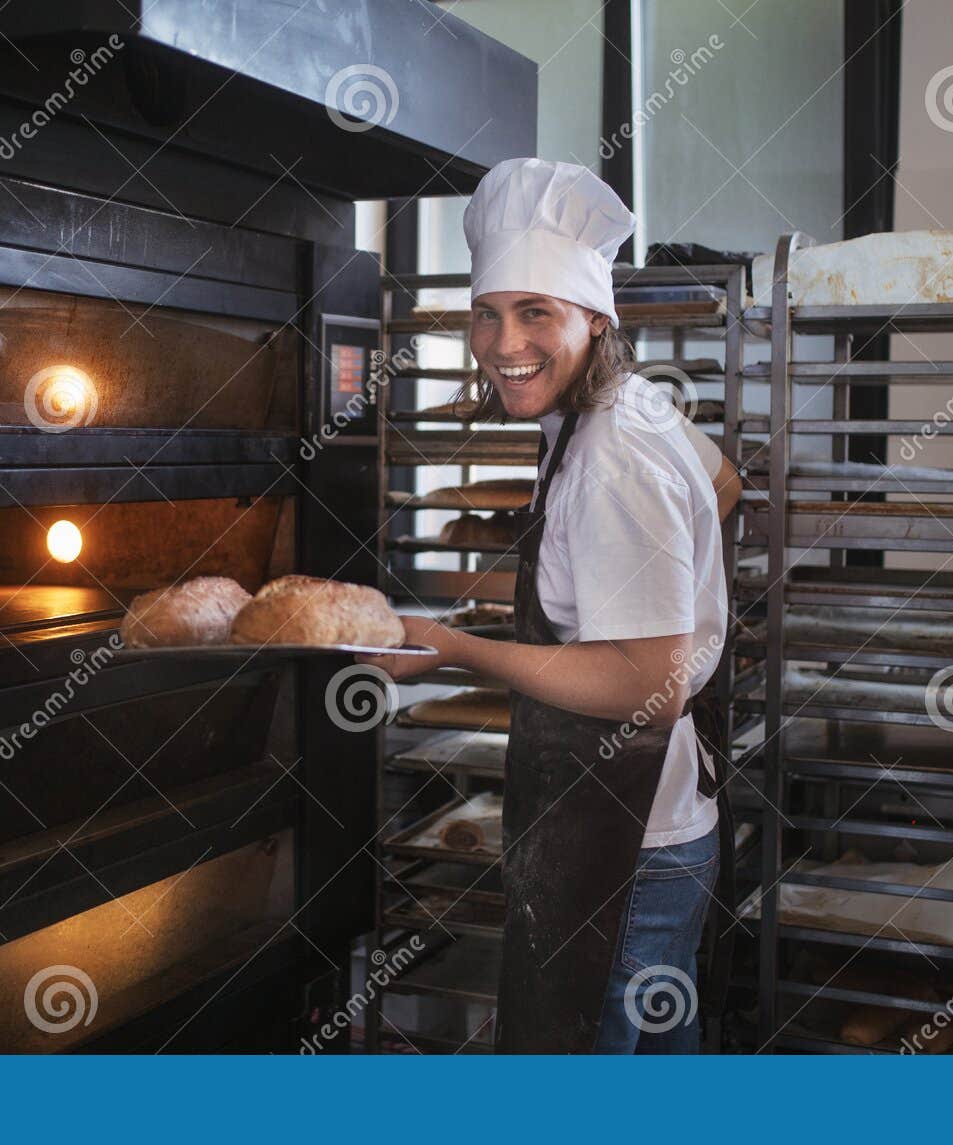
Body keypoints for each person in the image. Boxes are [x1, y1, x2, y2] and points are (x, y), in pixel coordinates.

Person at [359, 157, 738, 1053]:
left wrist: (452, 645)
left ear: (594, 320)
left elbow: (651, 684)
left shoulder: (611, 452)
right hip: (655, 823)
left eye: (537, 313)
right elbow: (723, 487)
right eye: (487, 313)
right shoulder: (627, 406)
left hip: (626, 848)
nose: (503, 341)